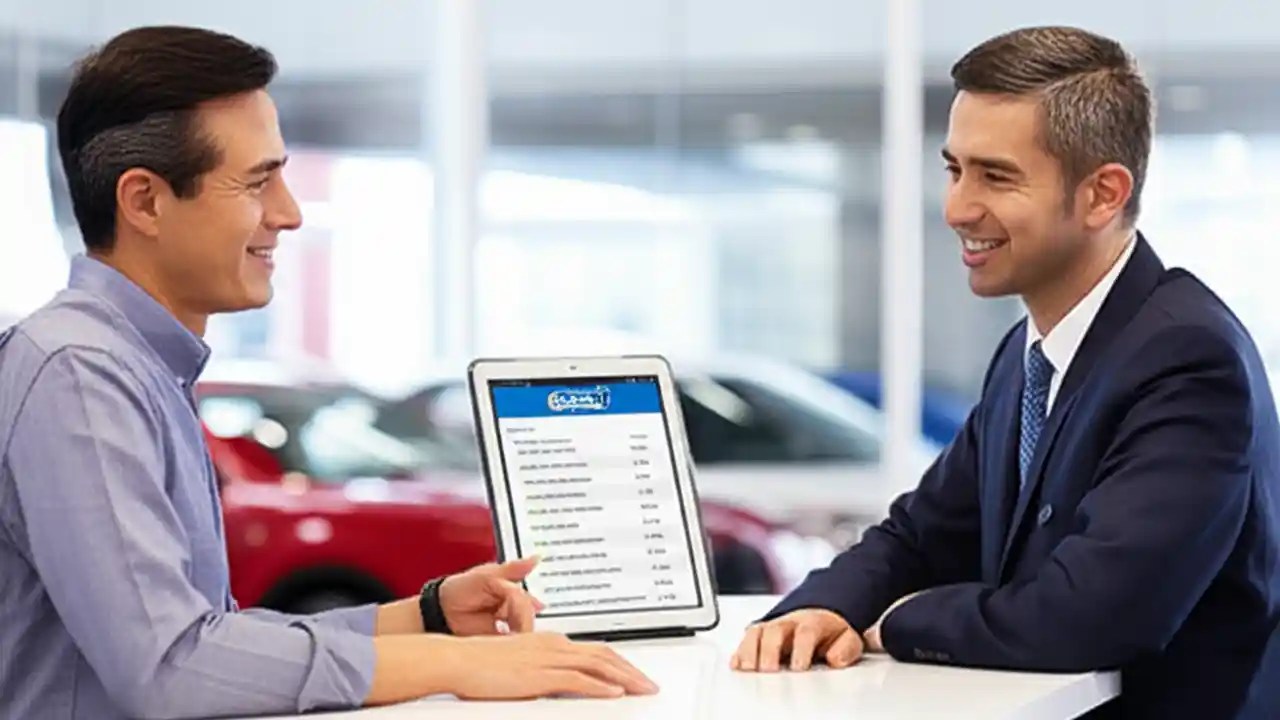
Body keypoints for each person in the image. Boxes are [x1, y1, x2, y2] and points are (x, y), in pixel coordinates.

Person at [0, 26, 655, 720]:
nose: (288, 212)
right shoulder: (80, 373)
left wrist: (427, 617)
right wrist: (463, 664)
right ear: (145, 202)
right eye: (257, 181)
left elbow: (215, 642)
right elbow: (172, 667)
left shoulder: (133, 366)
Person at [732, 25, 1280, 720]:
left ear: (1103, 194)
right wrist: (822, 607)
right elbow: (922, 534)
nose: (958, 208)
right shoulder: (1032, 351)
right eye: (954, 169)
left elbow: (1090, 614)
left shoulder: (1188, 359)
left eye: (996, 176)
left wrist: (895, 622)